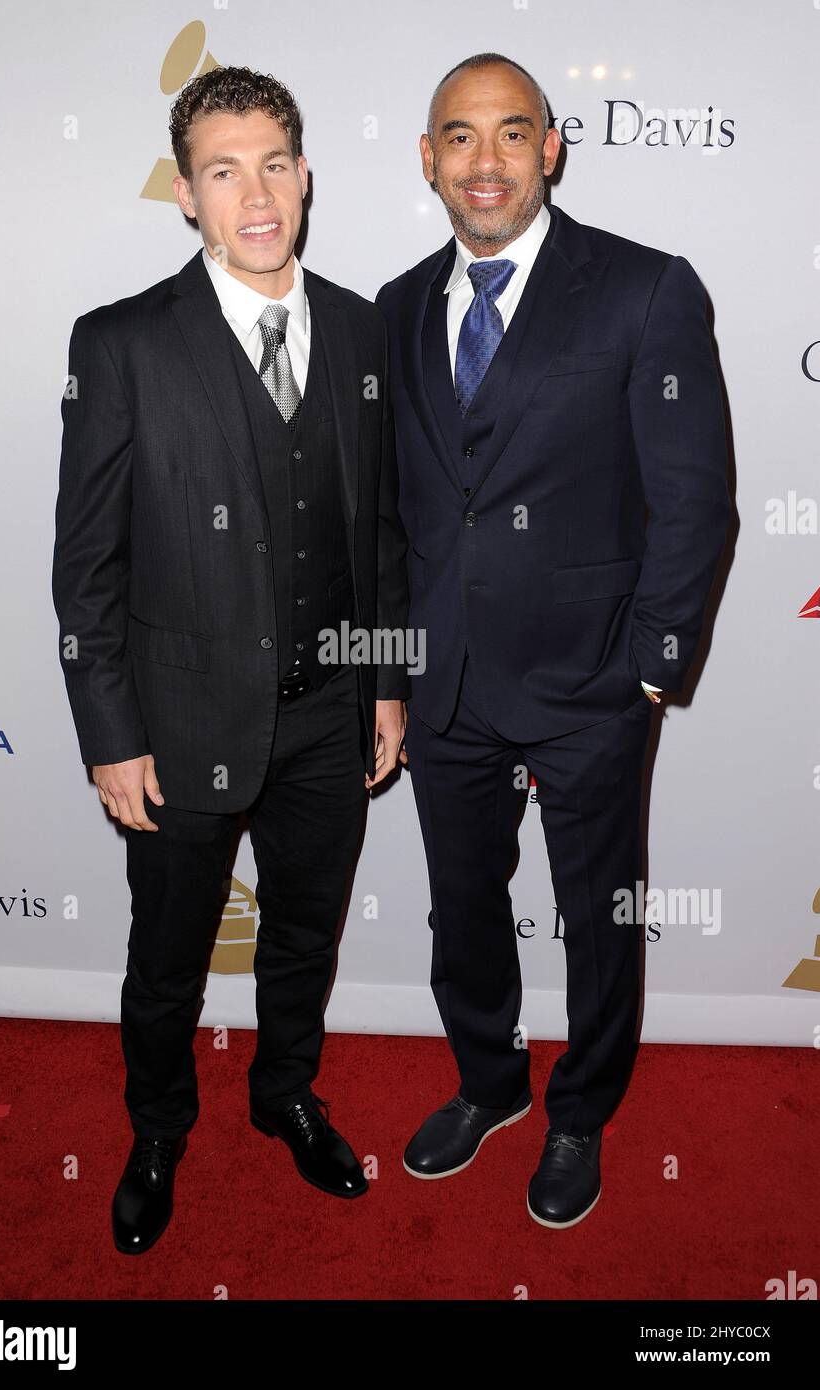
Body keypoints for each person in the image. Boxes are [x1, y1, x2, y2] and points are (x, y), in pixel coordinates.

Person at [52, 64, 408, 1255]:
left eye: (272, 164)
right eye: (222, 170)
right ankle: (157, 1127)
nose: (254, 194)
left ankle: (284, 1095)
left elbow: (382, 530)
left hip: (328, 715)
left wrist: (387, 681)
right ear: (186, 197)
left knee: (305, 935)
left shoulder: (363, 327)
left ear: (305, 176)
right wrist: (111, 733)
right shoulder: (122, 344)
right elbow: (86, 563)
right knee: (167, 959)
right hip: (181, 722)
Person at [376, 52, 730, 1228]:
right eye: (460, 138)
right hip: (444, 681)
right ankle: (490, 1083)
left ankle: (579, 1109)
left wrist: (649, 669)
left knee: (597, 912)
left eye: (511, 134)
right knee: (460, 903)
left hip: (590, 683)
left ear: (551, 149)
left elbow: (694, 502)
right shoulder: (391, 309)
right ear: (427, 158)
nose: (486, 163)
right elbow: (392, 514)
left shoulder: (641, 289)